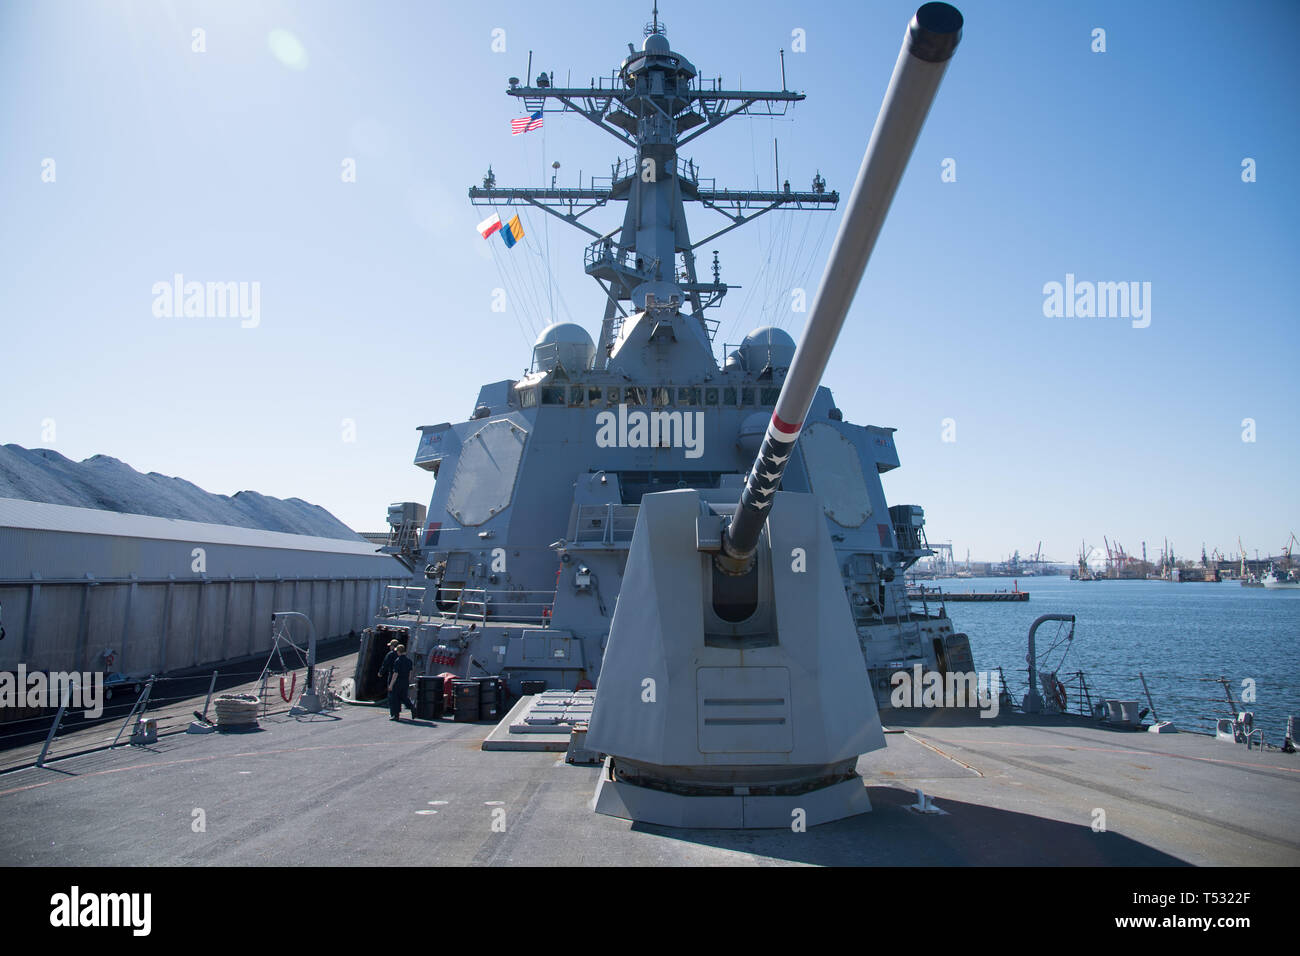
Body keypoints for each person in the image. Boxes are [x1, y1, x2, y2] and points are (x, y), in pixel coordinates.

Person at [388, 645, 415, 720]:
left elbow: (395, 674)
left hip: (398, 682)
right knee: (404, 697)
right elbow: (410, 672)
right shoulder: (409, 661)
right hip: (405, 681)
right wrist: (408, 682)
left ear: (399, 652)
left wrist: (391, 685)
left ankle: (396, 715)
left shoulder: (398, 661)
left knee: (395, 698)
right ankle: (412, 708)